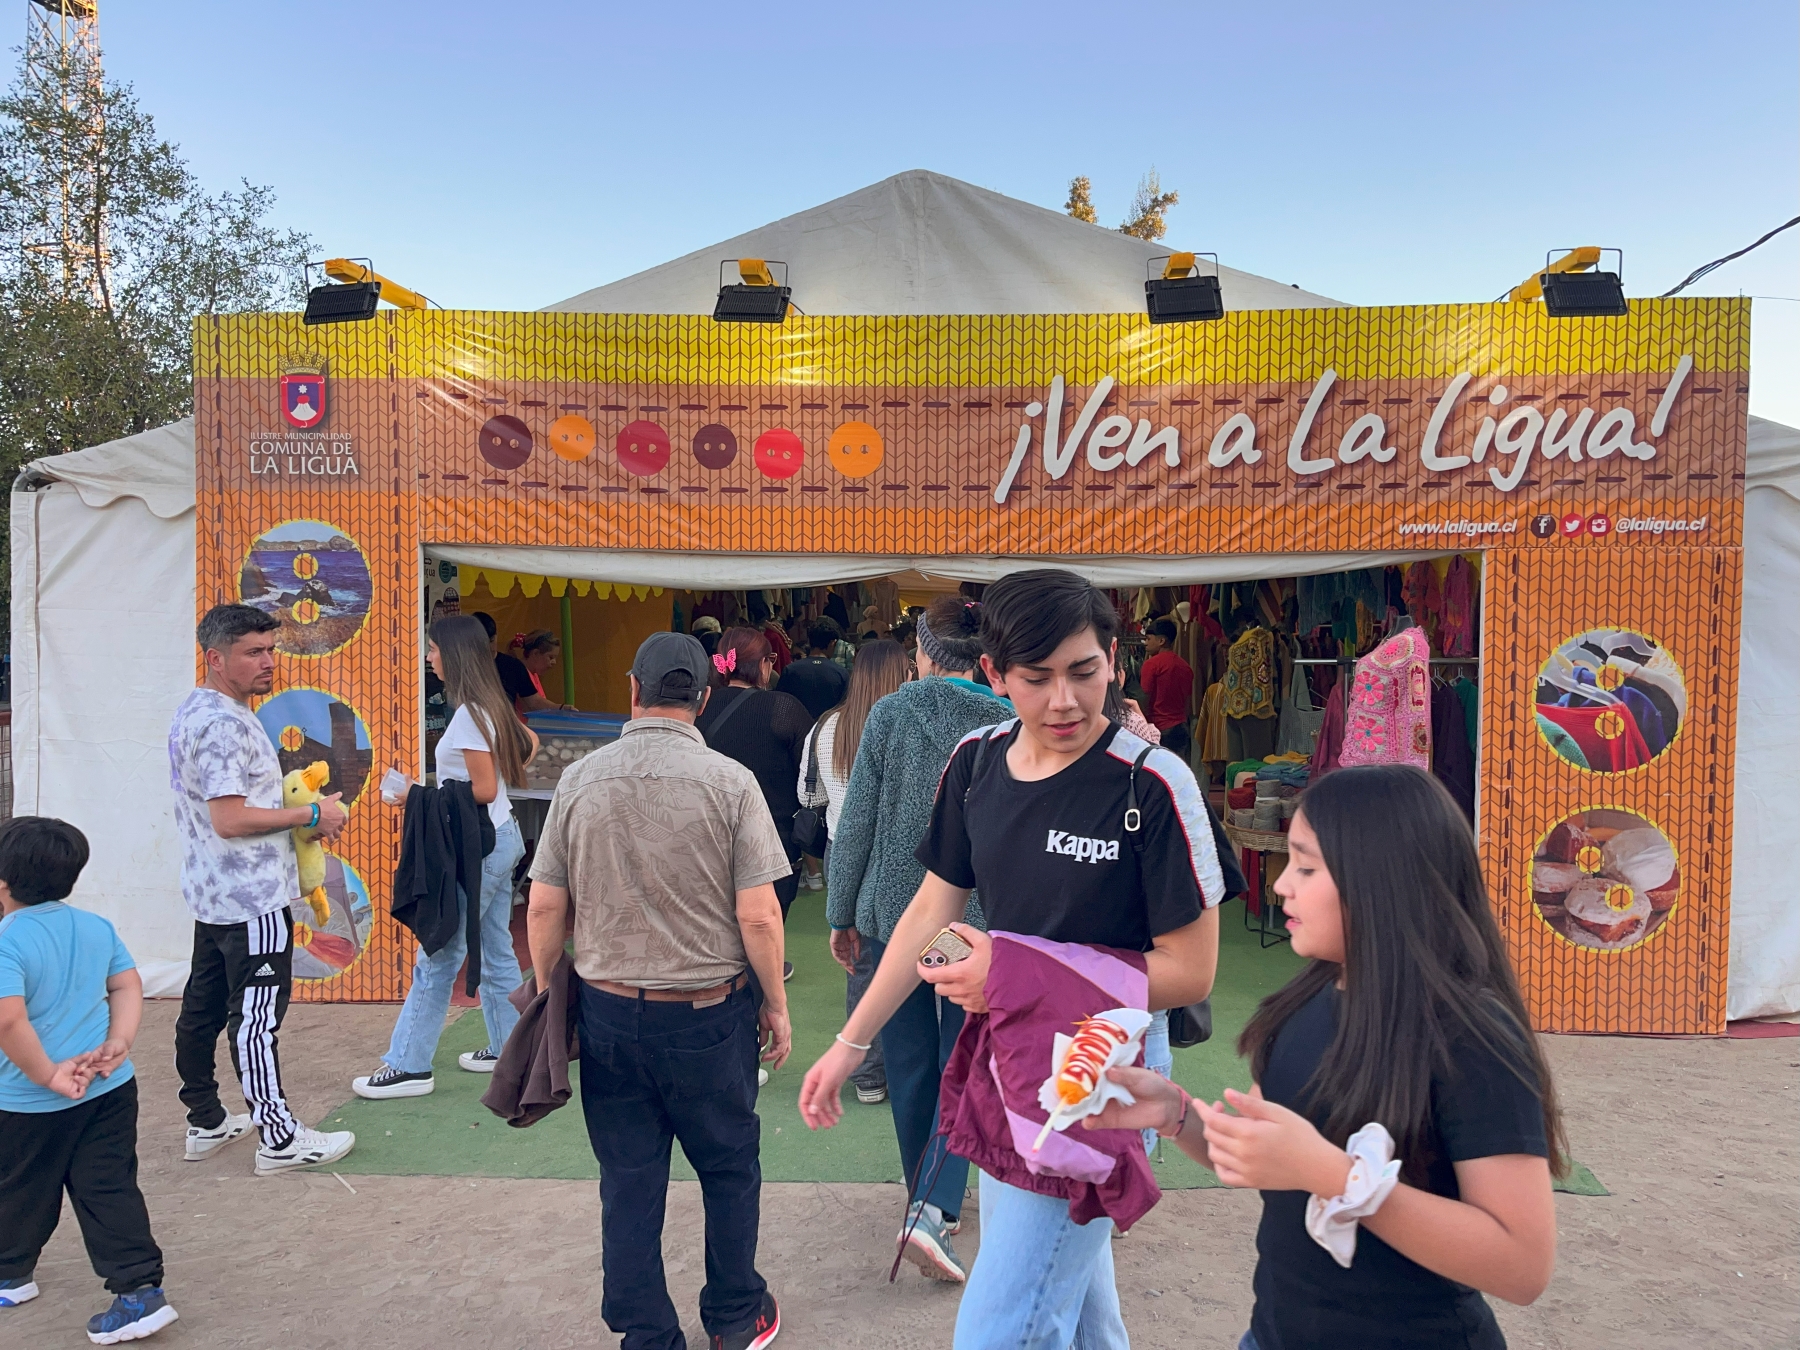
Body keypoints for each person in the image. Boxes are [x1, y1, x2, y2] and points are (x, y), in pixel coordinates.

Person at [802, 569, 1225, 1341]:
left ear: (1114, 664)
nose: (1064, 700)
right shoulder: (976, 762)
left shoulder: (1153, 785)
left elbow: (1191, 971)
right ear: (995, 675)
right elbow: (932, 909)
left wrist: (1013, 970)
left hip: (1095, 1081)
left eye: (1084, 672)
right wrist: (851, 1039)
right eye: (1036, 679)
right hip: (1004, 1064)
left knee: (999, 1330)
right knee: (1086, 1317)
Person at [1085, 766, 1562, 1350]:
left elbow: (1521, 1264)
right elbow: (1268, 1156)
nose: (1283, 885)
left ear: (1381, 879)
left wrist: (1331, 1175)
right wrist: (1175, 1114)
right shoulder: (1306, 1001)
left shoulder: (1471, 1036)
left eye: (1306, 867)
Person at [526, 632, 791, 1350]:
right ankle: (735, 1316)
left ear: (631, 689)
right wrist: (776, 1003)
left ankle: (646, 1332)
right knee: (730, 1167)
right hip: (709, 1013)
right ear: (703, 699)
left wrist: (551, 993)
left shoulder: (581, 781)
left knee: (629, 1178)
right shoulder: (731, 783)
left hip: (609, 1010)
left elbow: (546, 907)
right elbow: (760, 914)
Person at [817, 596, 1011, 1283]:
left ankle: (921, 1197)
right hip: (974, 923)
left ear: (924, 653)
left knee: (907, 1067)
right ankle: (936, 1206)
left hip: (893, 916)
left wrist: (841, 912)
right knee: (964, 1063)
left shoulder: (891, 714)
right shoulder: (1008, 716)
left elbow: (858, 822)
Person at [168, 605, 355, 1176]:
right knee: (255, 1017)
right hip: (251, 897)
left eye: (270, 650)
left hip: (214, 893)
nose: (268, 662)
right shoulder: (222, 722)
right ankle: (277, 1137)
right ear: (215, 658)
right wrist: (310, 813)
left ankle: (204, 1118)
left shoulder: (200, 709)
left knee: (202, 1008)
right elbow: (229, 818)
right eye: (254, 652)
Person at [0, 818, 180, 1342]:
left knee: (18, 1187)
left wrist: (47, 1074)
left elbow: (8, 1019)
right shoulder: (95, 926)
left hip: (28, 1101)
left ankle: (11, 1272)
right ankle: (139, 1291)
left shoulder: (8, 940)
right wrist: (119, 1042)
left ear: (4, 885)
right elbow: (127, 985)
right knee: (108, 1185)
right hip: (108, 1088)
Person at [352, 616, 538, 1098]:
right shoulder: (489, 705)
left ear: (452, 655)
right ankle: (512, 1051)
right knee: (497, 951)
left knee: (438, 954)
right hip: (502, 839)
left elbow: (483, 787)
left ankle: (409, 1065)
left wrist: (416, 795)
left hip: (483, 850)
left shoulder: (469, 714)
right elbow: (528, 745)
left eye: (432, 649)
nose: (428, 657)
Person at [796, 639, 911, 1106]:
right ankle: (923, 1068)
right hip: (905, 855)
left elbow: (809, 799)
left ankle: (868, 1075)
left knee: (862, 964)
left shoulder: (827, 726)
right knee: (925, 959)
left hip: (846, 854)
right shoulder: (907, 723)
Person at [696, 627, 812, 926]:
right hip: (773, 839)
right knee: (764, 924)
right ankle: (761, 972)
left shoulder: (699, 709)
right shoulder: (784, 708)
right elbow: (809, 772)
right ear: (762, 664)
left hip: (709, 834)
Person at [1139, 616, 1195, 761]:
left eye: (1149, 639)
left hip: (1159, 728)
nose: (1145, 643)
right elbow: (1187, 702)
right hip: (1181, 727)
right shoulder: (1186, 667)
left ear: (1161, 641)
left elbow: (1145, 697)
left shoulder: (1152, 664)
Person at [775, 619, 850, 721]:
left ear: (809, 641)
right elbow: (846, 708)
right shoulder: (840, 673)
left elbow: (780, 704)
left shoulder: (791, 670)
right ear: (833, 643)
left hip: (797, 729)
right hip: (829, 730)